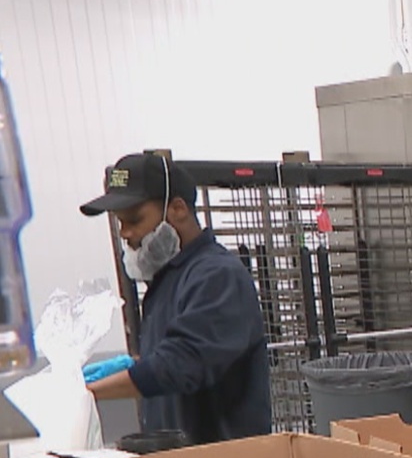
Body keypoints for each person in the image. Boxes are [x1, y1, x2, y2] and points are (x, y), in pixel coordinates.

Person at [77, 151, 270, 443]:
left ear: (178, 208)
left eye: (134, 220)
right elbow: (172, 354)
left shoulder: (218, 276)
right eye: (119, 223)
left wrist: (84, 392)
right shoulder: (168, 279)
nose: (125, 234)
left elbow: (182, 363)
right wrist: (134, 364)